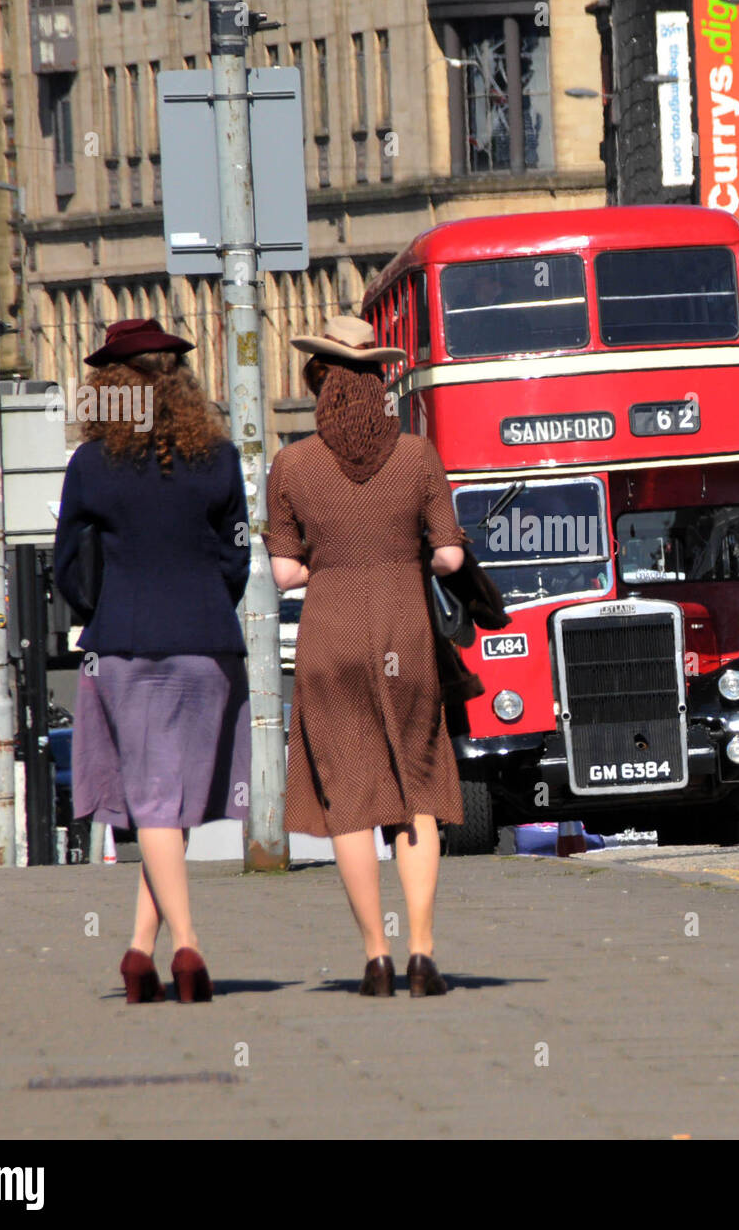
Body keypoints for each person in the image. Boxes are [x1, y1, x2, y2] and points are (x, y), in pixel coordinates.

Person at [265, 315, 465, 998]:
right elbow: (448, 555)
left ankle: (375, 958)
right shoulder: (417, 455)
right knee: (416, 791)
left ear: (318, 382)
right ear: (380, 382)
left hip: (329, 641)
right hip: (405, 637)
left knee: (349, 797)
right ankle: (422, 951)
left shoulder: (291, 465)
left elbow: (285, 574)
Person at [54, 318, 251, 1004]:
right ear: (181, 383)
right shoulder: (220, 458)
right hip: (207, 643)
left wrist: (101, 607)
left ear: (111, 387)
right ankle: (139, 951)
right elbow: (236, 558)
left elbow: (67, 570)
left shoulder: (91, 467)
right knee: (172, 801)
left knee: (155, 801)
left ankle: (187, 944)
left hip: (127, 646)